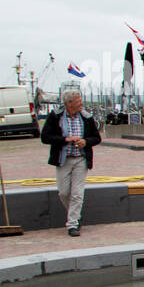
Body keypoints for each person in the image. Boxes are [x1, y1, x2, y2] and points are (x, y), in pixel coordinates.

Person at [41, 86, 101, 237]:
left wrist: (85, 142)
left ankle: (72, 224)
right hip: (63, 159)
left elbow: (97, 137)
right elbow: (45, 137)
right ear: (68, 103)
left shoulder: (87, 117)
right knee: (64, 192)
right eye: (78, 101)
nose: (81, 104)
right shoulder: (56, 116)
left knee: (77, 194)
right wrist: (65, 139)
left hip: (81, 159)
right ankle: (75, 215)